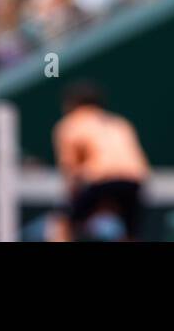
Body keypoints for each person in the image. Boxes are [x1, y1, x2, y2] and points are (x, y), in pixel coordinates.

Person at [51, 82, 151, 240]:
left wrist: (70, 204)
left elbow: (69, 169)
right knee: (130, 233)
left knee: (62, 223)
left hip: (100, 178)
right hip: (134, 180)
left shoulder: (69, 124)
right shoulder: (119, 123)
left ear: (72, 103)